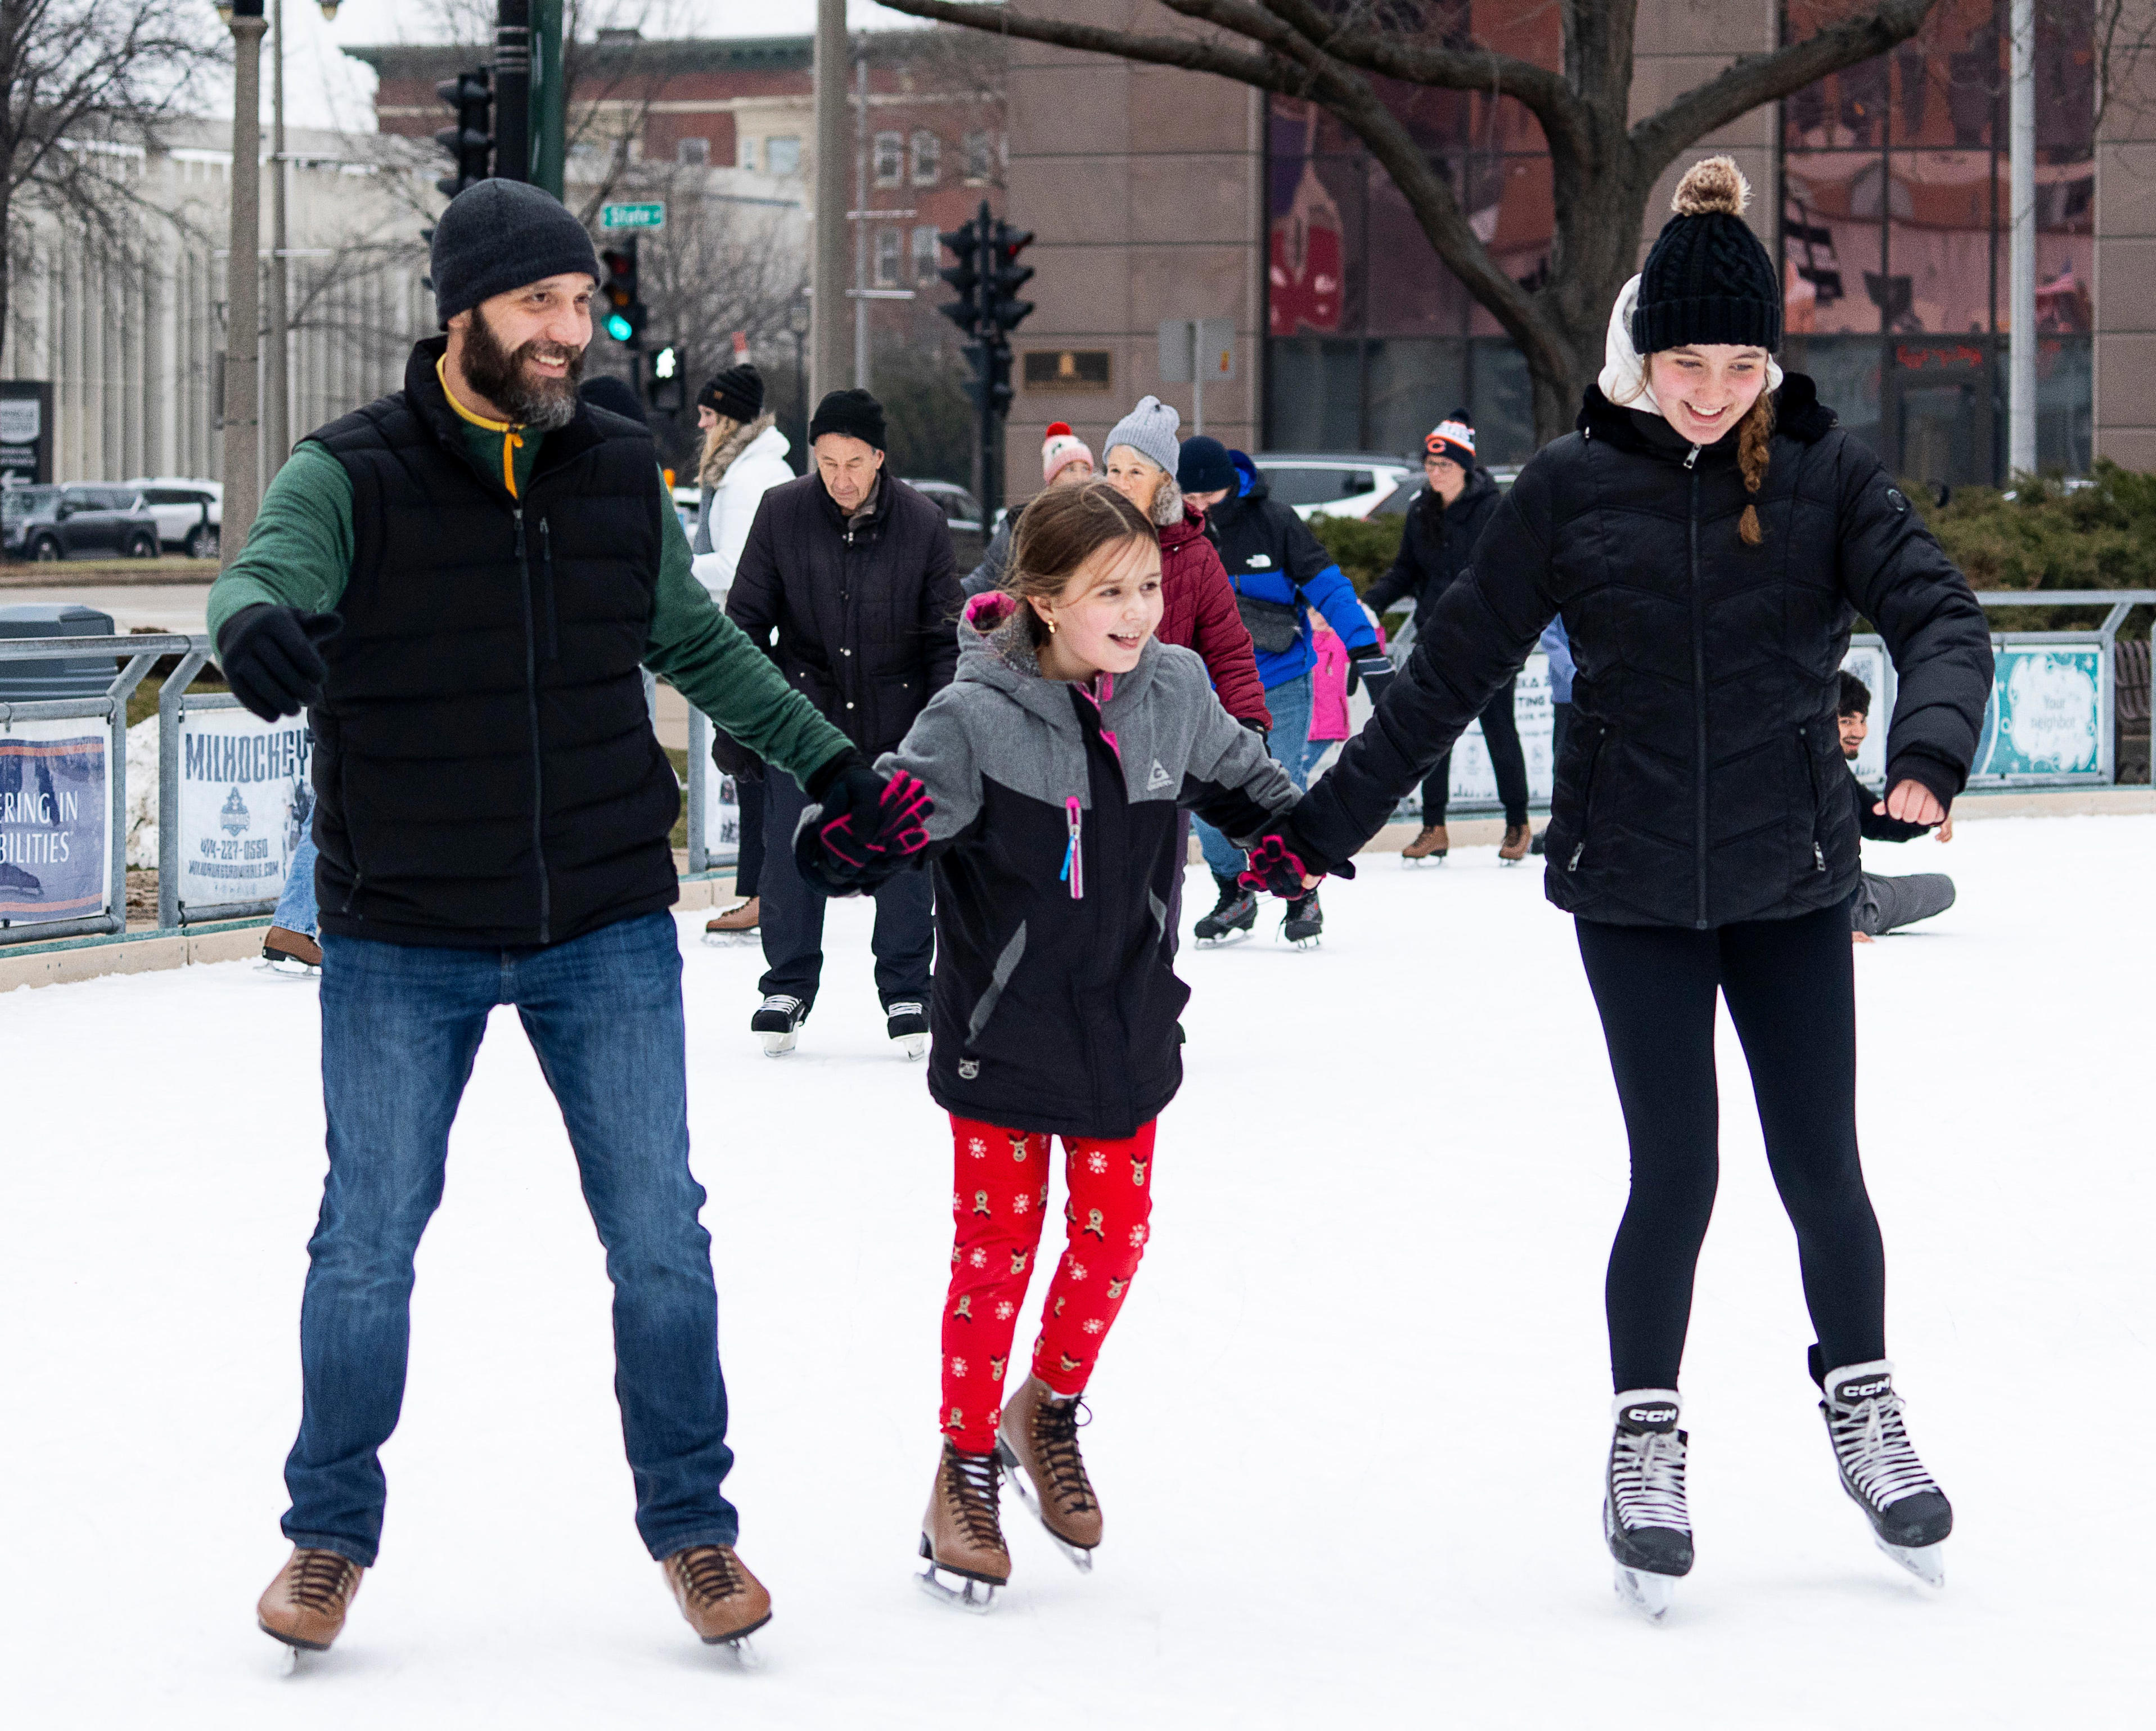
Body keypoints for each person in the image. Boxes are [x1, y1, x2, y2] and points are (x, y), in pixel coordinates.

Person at [1239, 158, 1995, 1617]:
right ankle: (1646, 1432)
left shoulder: (1826, 475)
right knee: (1680, 1168)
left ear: (1773, 359)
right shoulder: (1571, 493)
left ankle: (1864, 1401)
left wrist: (1929, 750)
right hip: (1634, 877)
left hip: (1789, 870)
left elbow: (1941, 615)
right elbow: (1445, 673)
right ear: (1641, 356)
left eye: (1738, 364)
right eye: (1684, 363)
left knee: (1820, 1163)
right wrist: (1322, 828)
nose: (1709, 392)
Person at [207, 178, 905, 1658]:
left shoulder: (614, 469)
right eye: (539, 304)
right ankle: (327, 1535)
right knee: (367, 1238)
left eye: (583, 306)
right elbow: (265, 576)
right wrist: (252, 626)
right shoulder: (353, 472)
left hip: (600, 912)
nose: (568, 333)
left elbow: (696, 642)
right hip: (405, 923)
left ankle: (696, 1529)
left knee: (660, 1228)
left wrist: (832, 761)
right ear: (460, 306)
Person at [806, 482, 1297, 1607]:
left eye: (1146, 587)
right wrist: (840, 839)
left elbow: (1249, 783)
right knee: (994, 1256)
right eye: (1106, 592)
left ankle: (1047, 1405)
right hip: (1000, 1032)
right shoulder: (971, 717)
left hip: (1124, 1021)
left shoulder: (1170, 690)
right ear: (1036, 600)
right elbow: (876, 823)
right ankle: (964, 1462)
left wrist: (1284, 839)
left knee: (1113, 1238)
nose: (1135, 612)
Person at [724, 386, 962, 1056]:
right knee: (789, 851)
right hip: (803, 712)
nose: (841, 478)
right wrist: (741, 725)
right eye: (827, 462)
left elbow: (946, 639)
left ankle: (907, 988)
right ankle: (787, 985)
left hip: (900, 717)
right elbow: (744, 623)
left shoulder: (922, 522)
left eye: (854, 462)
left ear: (879, 457)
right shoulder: (782, 512)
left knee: (907, 858)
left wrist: (940, 730)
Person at [1182, 439, 1391, 946]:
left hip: (1278, 679)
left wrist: (1366, 649)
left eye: (1212, 493)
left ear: (1233, 484)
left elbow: (1328, 587)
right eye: (1193, 495)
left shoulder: (1274, 522)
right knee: (1209, 804)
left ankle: (1303, 894)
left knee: (1282, 790)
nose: (1204, 505)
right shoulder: (1173, 533)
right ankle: (1234, 891)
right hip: (1204, 691)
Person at [1099, 395, 1268, 945]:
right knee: (1084, 896)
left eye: (1135, 471)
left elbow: (1228, 650)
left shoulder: (1194, 558)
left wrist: (1248, 726)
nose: (1120, 482)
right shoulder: (1078, 544)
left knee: (1152, 894)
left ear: (1163, 483)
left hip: (1158, 749)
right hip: (1083, 744)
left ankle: (1151, 1013)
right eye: (1112, 470)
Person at [1364, 412, 1529, 864]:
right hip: (1435, 640)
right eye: (1430, 465)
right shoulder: (1421, 509)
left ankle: (1517, 823)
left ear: (1464, 467)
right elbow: (1405, 571)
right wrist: (1370, 603)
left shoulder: (1491, 510)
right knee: (1432, 734)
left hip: (1487, 642)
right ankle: (1433, 827)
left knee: (1499, 729)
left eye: (1443, 466)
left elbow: (1506, 574)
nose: (1434, 473)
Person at [1838, 669, 1956, 941]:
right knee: (1941, 889)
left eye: (1862, 720)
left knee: (1941, 886)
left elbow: (1875, 819)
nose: (1858, 732)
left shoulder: (1837, 771)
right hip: (1839, 906)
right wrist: (1836, 927)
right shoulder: (1815, 778)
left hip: (1845, 887)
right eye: (1846, 721)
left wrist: (1927, 812)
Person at [962, 421, 1094, 597]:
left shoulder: (1099, 519)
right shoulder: (1020, 520)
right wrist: (950, 593)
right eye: (1069, 469)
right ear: (1052, 478)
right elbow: (990, 575)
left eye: (1085, 468)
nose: (1080, 477)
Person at [691, 362, 793, 586]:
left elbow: (734, 567)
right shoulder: (757, 467)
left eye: (708, 414)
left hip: (742, 617)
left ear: (730, 419)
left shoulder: (748, 478)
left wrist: (678, 568)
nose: (701, 424)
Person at [1528, 616, 1575, 857]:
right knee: (1562, 763)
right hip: (1568, 696)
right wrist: (1574, 674)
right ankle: (1561, 826)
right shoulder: (1562, 591)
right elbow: (1550, 636)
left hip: (1598, 691)